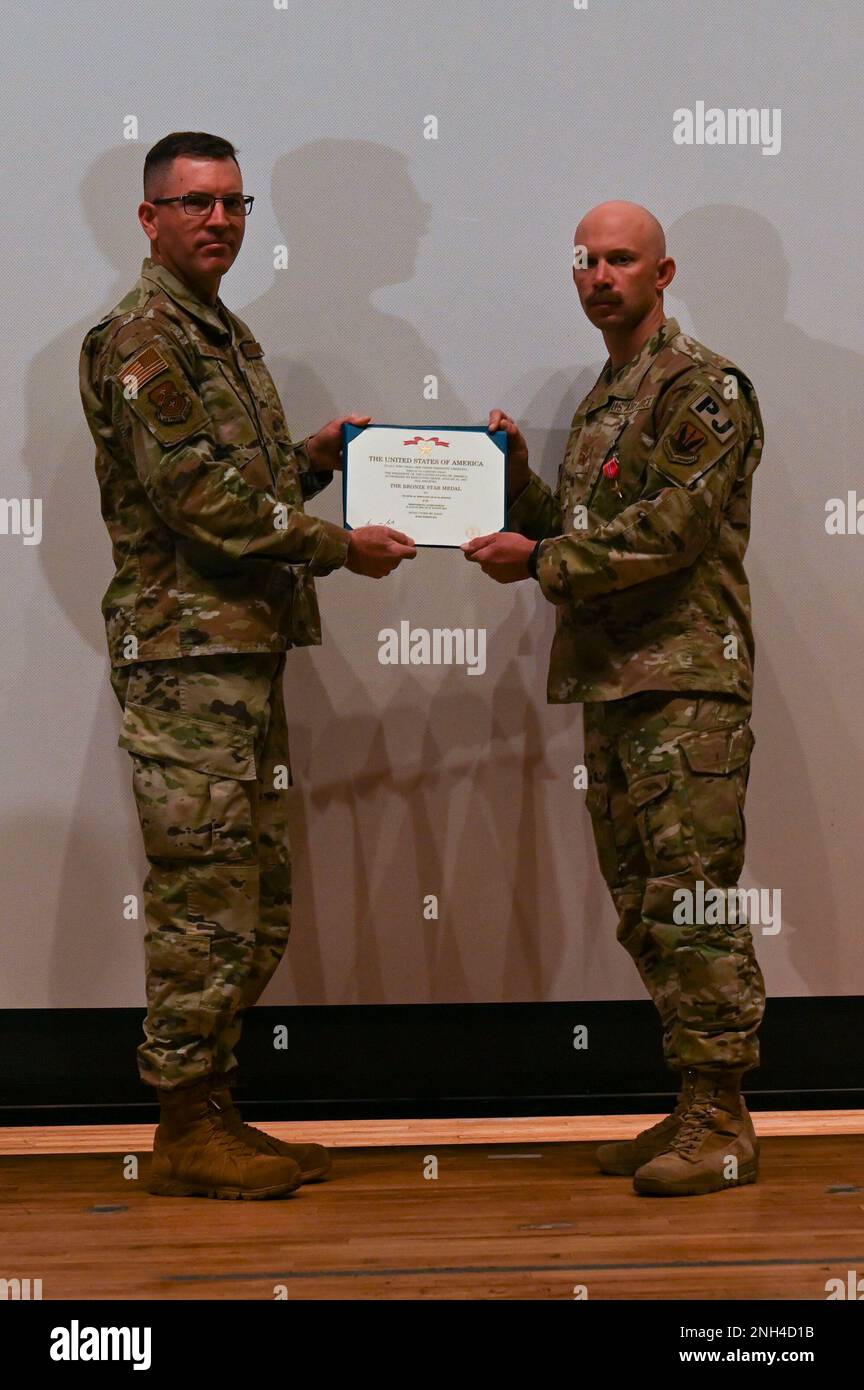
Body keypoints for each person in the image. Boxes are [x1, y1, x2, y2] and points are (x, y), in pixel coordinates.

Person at [79, 131, 416, 1200]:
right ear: (150, 219)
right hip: (187, 668)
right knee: (201, 897)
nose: (219, 221)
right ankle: (183, 1124)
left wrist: (310, 465)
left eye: (234, 203)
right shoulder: (141, 338)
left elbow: (245, 486)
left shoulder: (223, 335)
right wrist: (336, 545)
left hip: (238, 656)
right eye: (195, 204)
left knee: (252, 898)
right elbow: (198, 503)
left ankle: (216, 1109)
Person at [464, 201, 766, 1196]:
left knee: (695, 902)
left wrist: (542, 554)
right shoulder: (606, 397)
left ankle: (724, 1120)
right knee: (645, 905)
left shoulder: (704, 388)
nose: (600, 275)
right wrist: (512, 486)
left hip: (685, 687)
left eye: (621, 259)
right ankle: (692, 1103)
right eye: (586, 260)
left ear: (663, 272)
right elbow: (599, 528)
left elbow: (670, 533)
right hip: (617, 685)